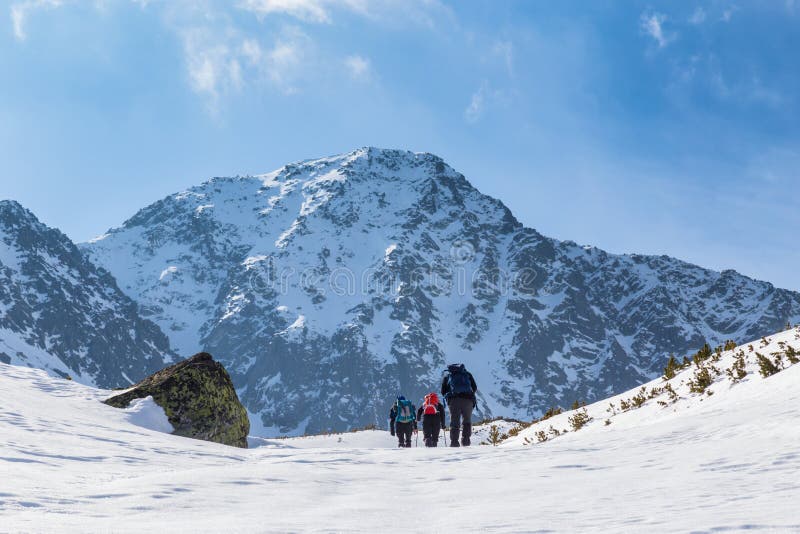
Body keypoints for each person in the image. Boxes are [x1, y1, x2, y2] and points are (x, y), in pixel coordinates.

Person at [441, 363, 477, 447]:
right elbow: (474, 387)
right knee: (467, 420)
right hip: (468, 400)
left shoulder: (448, 376)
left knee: (454, 421)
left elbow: (443, 391)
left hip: (454, 401)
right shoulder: (467, 374)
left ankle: (454, 442)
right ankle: (466, 441)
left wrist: (449, 398)